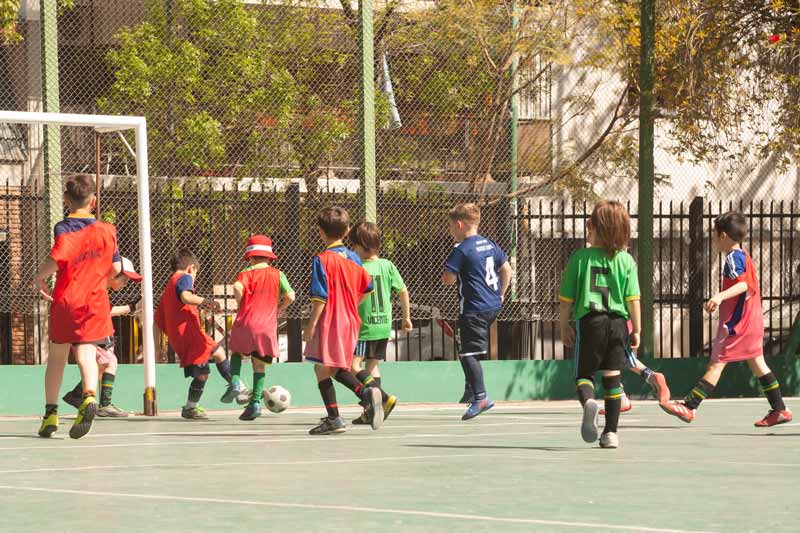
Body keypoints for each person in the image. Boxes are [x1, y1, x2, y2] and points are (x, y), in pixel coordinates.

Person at [661, 212, 792, 427]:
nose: (713, 239)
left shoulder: (733, 258)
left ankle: (690, 406)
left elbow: (743, 285)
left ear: (722, 235)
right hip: (752, 321)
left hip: (738, 324)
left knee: (717, 363)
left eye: (713, 235)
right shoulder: (744, 256)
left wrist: (719, 296)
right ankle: (779, 409)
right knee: (758, 363)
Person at [35, 174, 121, 439]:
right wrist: (111, 280)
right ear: (94, 201)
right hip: (94, 302)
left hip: (67, 300)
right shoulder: (108, 231)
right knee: (86, 353)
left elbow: (57, 260)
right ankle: (89, 396)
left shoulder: (63, 228)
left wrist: (37, 276)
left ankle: (51, 413)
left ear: (66, 199)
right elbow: (116, 270)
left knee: (58, 359)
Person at [559, 200, 640, 449]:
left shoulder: (580, 258)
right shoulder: (626, 261)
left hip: (590, 321)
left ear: (594, 228)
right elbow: (633, 299)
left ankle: (589, 403)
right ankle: (611, 434)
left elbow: (566, 299)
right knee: (612, 377)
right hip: (618, 322)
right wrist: (636, 329)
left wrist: (564, 325)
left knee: (583, 374)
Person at [303, 207, 384, 435]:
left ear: (320, 232)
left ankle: (341, 413)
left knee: (321, 369)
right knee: (336, 366)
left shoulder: (322, 260)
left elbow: (320, 297)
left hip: (331, 320)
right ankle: (363, 396)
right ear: (348, 231)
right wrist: (351, 302)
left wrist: (310, 326)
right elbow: (367, 288)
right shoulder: (355, 259)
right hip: (351, 319)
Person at [153, 249, 249, 420]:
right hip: (191, 333)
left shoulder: (167, 289)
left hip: (179, 339)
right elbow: (185, 296)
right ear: (191, 268)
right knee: (219, 353)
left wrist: (157, 348)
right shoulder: (184, 278)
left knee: (202, 374)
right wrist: (207, 302)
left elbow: (156, 321)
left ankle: (190, 407)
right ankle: (239, 387)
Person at [442, 203, 511, 421]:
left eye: (451, 227)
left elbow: (448, 279)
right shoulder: (489, 244)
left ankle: (480, 396)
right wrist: (501, 293)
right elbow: (506, 268)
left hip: (474, 308)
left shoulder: (461, 249)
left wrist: (448, 274)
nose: (450, 231)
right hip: (493, 306)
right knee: (463, 344)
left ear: (460, 225)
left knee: (468, 353)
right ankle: (471, 388)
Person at [62, 257, 143, 418]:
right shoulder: (94, 288)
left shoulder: (100, 289)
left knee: (100, 366)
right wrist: (132, 307)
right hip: (90, 332)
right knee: (109, 362)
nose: (126, 283)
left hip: (94, 331)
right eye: (124, 279)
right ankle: (104, 404)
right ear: (112, 273)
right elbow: (105, 311)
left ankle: (77, 395)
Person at [229, 235, 296, 421]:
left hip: (246, 321)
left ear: (251, 256)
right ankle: (255, 403)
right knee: (259, 365)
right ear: (269, 257)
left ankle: (235, 381)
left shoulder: (246, 273)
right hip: (267, 326)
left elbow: (237, 287)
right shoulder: (278, 274)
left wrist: (241, 302)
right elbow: (291, 296)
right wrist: (279, 308)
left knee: (236, 351)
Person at [348, 221, 409, 425]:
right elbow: (402, 291)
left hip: (364, 326)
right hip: (383, 324)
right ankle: (372, 411)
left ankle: (383, 397)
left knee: (352, 365)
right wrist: (407, 317)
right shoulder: (388, 265)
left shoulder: (357, 267)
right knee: (372, 366)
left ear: (359, 245)